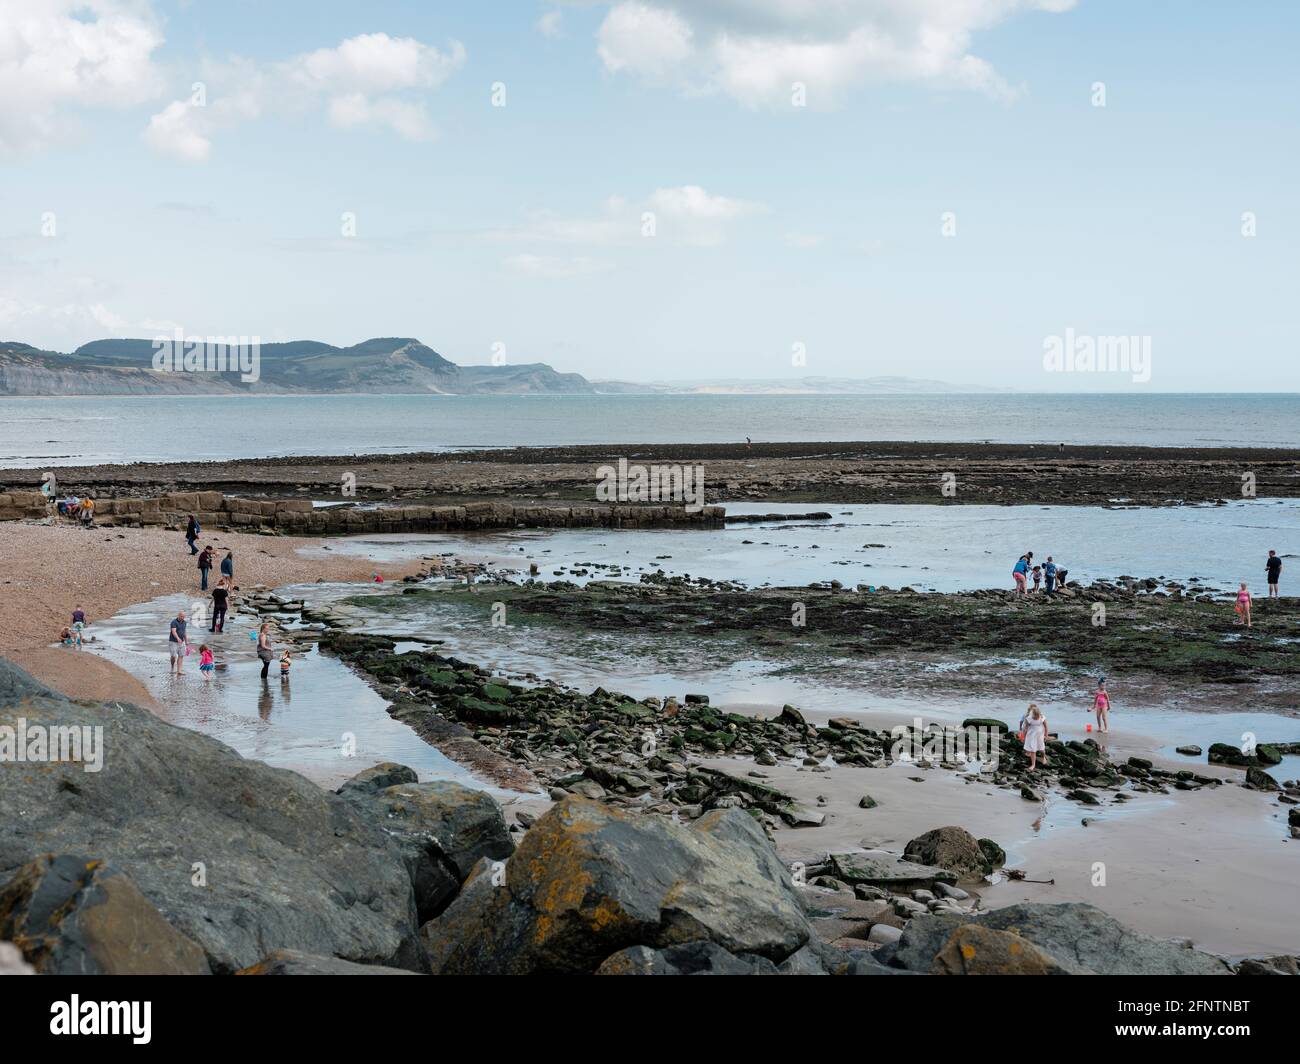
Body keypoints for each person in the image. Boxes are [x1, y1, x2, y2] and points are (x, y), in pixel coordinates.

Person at [1022, 703, 1049, 771]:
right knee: (1033, 750)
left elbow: (1046, 727)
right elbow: (1025, 728)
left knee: (1041, 748)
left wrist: (1046, 735)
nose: (1036, 717)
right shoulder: (1029, 718)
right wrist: (1023, 737)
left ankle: (1043, 757)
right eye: (1035, 716)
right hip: (1031, 735)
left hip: (1040, 735)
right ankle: (1033, 764)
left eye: (1037, 716)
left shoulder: (1042, 717)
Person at [169, 610, 189, 674]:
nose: (183, 618)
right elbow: (173, 631)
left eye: (184, 616)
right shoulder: (174, 622)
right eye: (181, 616)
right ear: (178, 616)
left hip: (182, 642)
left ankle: (179, 671)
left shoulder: (184, 622)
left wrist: (186, 641)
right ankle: (172, 666)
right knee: (173, 656)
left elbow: (184, 632)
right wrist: (177, 638)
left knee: (181, 656)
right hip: (173, 642)